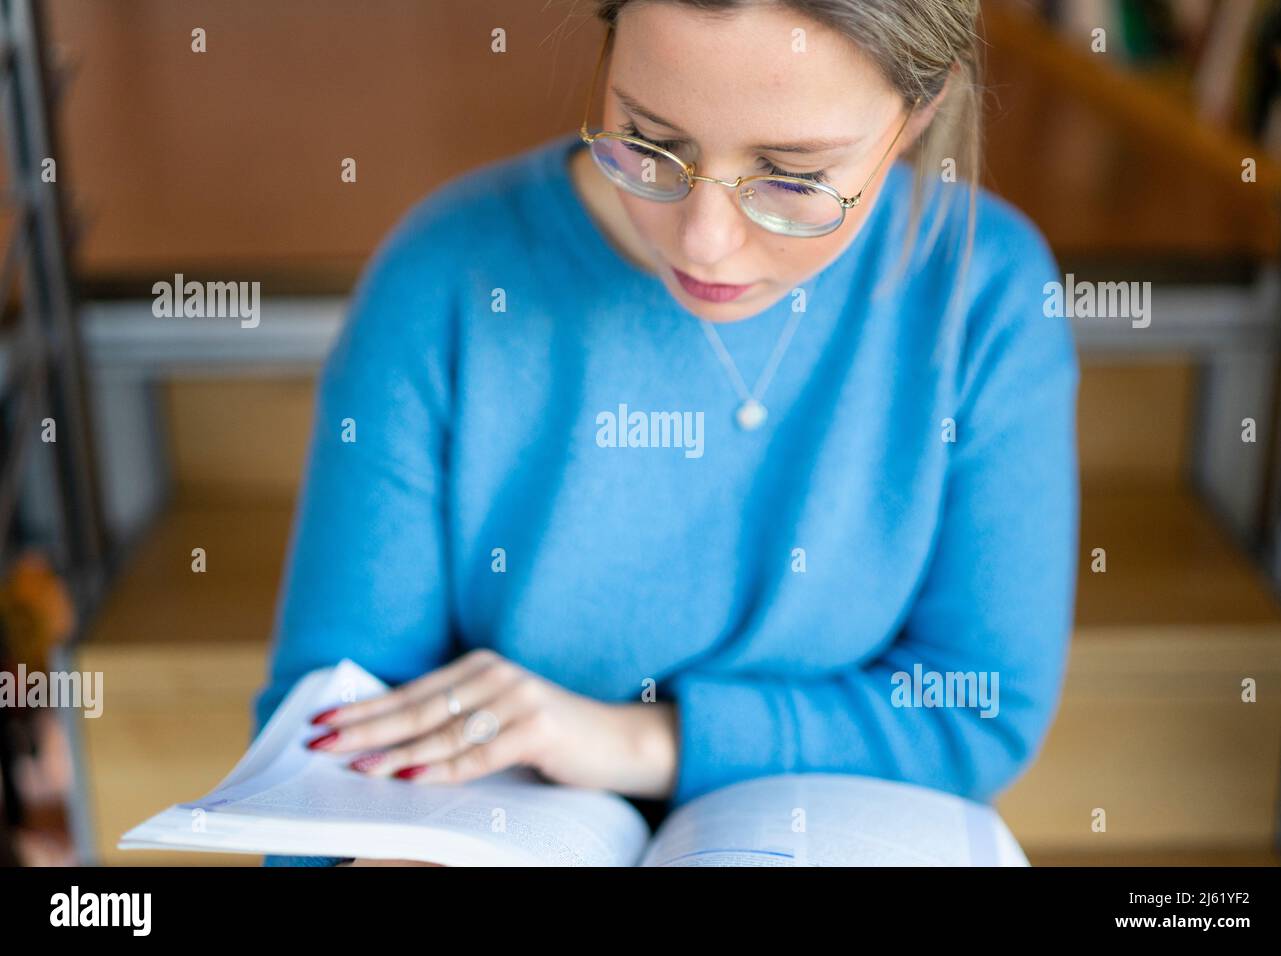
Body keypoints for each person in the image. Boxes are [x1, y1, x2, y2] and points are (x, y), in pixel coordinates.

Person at [252, 0, 1079, 866]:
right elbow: (328, 727)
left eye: (792, 178)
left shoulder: (984, 293)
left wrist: (631, 740)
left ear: (922, 110)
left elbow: (976, 709)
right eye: (650, 143)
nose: (706, 242)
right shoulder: (444, 279)